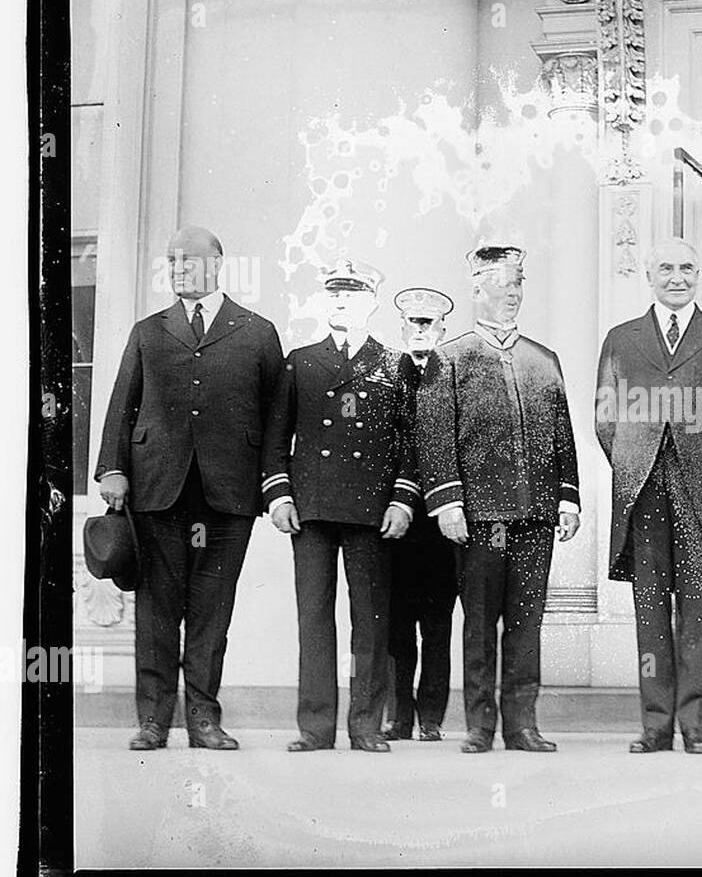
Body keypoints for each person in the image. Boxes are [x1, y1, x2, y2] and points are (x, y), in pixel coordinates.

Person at [95, 226, 284, 751]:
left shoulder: (257, 332)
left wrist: (273, 486)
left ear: (218, 263)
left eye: (189, 260)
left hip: (228, 494)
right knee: (156, 610)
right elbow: (122, 403)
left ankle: (204, 719)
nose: (178, 269)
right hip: (158, 489)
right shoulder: (149, 331)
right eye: (172, 262)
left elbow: (275, 417)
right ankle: (153, 721)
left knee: (211, 610)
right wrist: (113, 468)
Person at [595, 238, 702, 754]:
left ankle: (694, 725)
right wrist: (633, 461)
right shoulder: (622, 339)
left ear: (699, 275)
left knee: (698, 613)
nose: (676, 277)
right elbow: (606, 419)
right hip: (644, 491)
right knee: (650, 613)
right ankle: (654, 724)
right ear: (649, 273)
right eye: (665, 267)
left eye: (686, 268)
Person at [417, 245, 580, 754]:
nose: (511, 294)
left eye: (518, 285)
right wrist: (448, 504)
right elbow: (435, 437)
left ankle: (522, 725)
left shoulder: (543, 359)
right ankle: (480, 726)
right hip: (480, 518)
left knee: (527, 625)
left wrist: (568, 499)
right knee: (481, 624)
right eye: (501, 284)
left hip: (535, 515)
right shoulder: (450, 359)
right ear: (476, 288)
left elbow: (562, 436)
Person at [263, 260, 420, 753]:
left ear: (371, 303)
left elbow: (414, 442)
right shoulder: (300, 361)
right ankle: (314, 728)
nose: (340, 302)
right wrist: (279, 494)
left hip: (372, 510)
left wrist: (402, 500)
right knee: (313, 616)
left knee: (371, 618)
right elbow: (275, 437)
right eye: (333, 295)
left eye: (351, 296)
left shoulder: (395, 364)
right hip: (310, 507)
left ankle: (366, 726)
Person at [382, 287, 459, 742]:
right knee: (395, 623)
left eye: (429, 324)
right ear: (401, 327)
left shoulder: (454, 373)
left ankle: (431, 715)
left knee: (437, 623)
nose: (420, 331)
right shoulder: (387, 375)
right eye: (413, 323)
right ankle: (399, 715)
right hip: (395, 519)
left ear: (443, 329)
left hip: (441, 522)